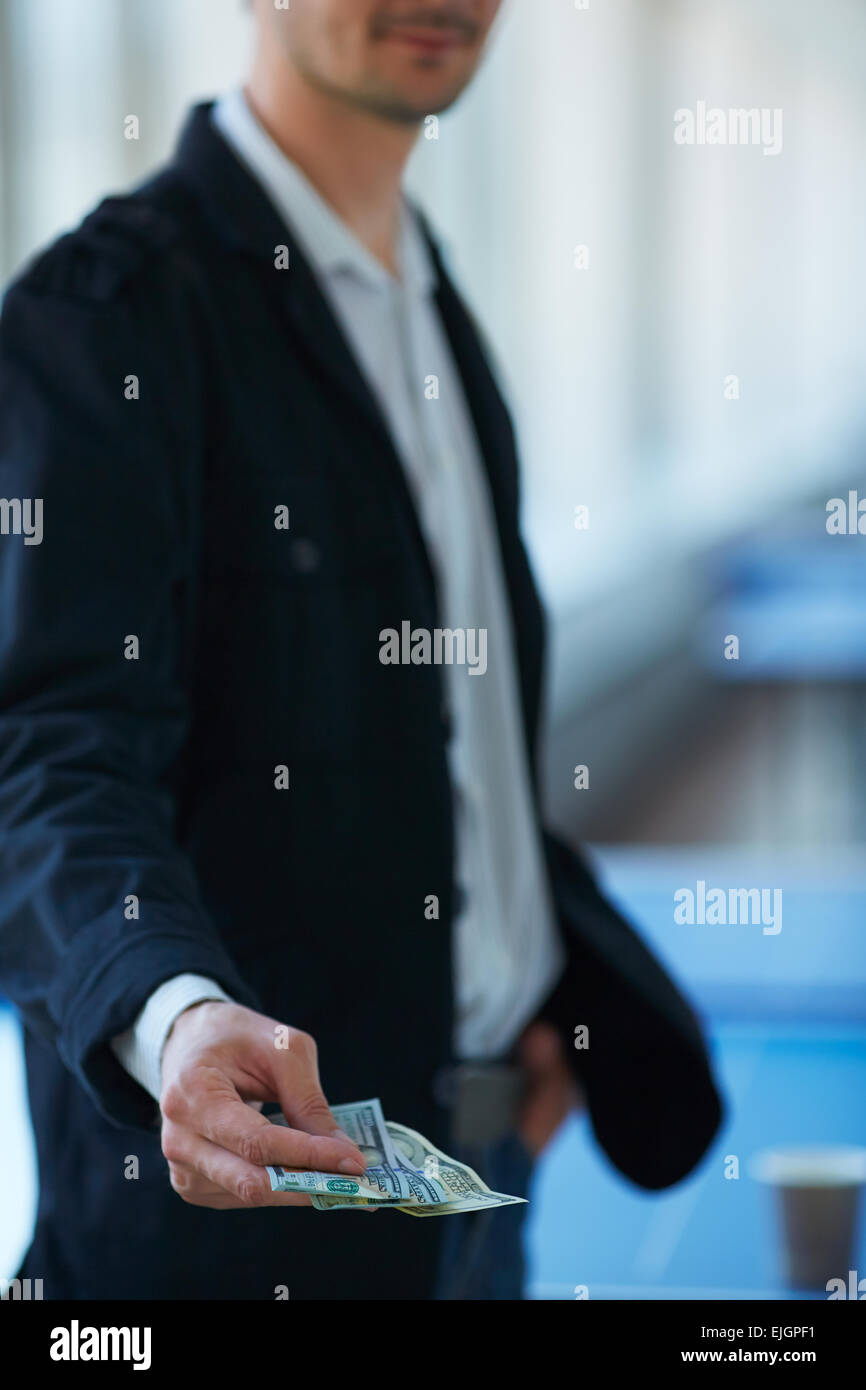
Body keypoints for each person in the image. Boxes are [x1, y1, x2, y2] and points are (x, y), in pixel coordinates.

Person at [0, 0, 722, 1301]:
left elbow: (452, 750)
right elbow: (44, 749)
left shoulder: (434, 315)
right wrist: (174, 1012)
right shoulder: (104, 317)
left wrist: (522, 974)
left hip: (481, 1178)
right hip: (230, 1241)